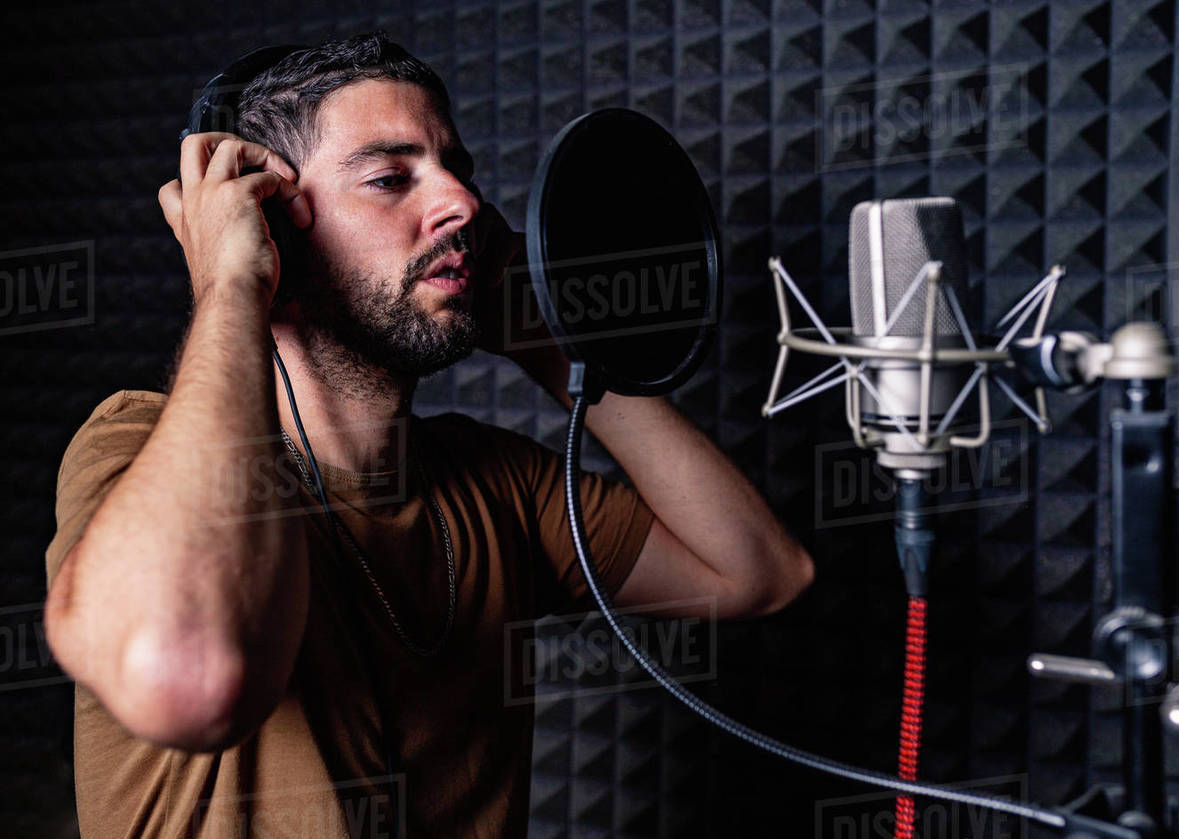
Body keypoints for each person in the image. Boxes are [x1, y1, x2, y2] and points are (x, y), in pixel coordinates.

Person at [43, 32, 814, 839]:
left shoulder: (494, 484)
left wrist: (548, 338)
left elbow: (761, 571)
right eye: (390, 177)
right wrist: (230, 283)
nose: (465, 204)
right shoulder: (129, 445)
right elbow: (191, 676)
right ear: (271, 226)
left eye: (458, 170)